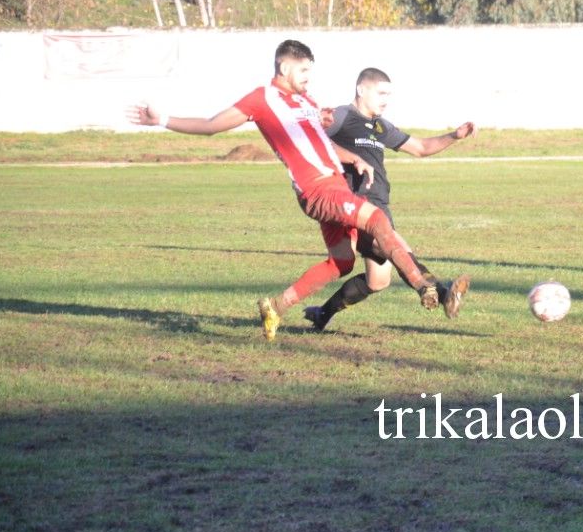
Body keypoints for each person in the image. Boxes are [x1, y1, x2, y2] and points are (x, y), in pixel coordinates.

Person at [126, 39, 469, 340]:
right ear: (284, 65)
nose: (308, 76)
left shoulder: (307, 102)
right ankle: (427, 287)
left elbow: (322, 145)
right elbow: (211, 126)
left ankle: (275, 307)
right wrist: (163, 120)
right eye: (304, 69)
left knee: (342, 262)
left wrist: (353, 159)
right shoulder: (262, 98)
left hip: (333, 187)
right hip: (318, 191)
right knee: (377, 220)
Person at [304, 67, 475, 330]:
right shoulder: (341, 116)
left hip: (380, 205)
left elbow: (419, 148)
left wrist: (454, 136)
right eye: (381, 93)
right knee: (398, 248)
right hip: (356, 204)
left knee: (377, 281)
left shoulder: (379, 125)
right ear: (362, 90)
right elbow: (311, 139)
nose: (385, 99)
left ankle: (321, 315)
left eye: (388, 94)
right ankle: (442, 294)